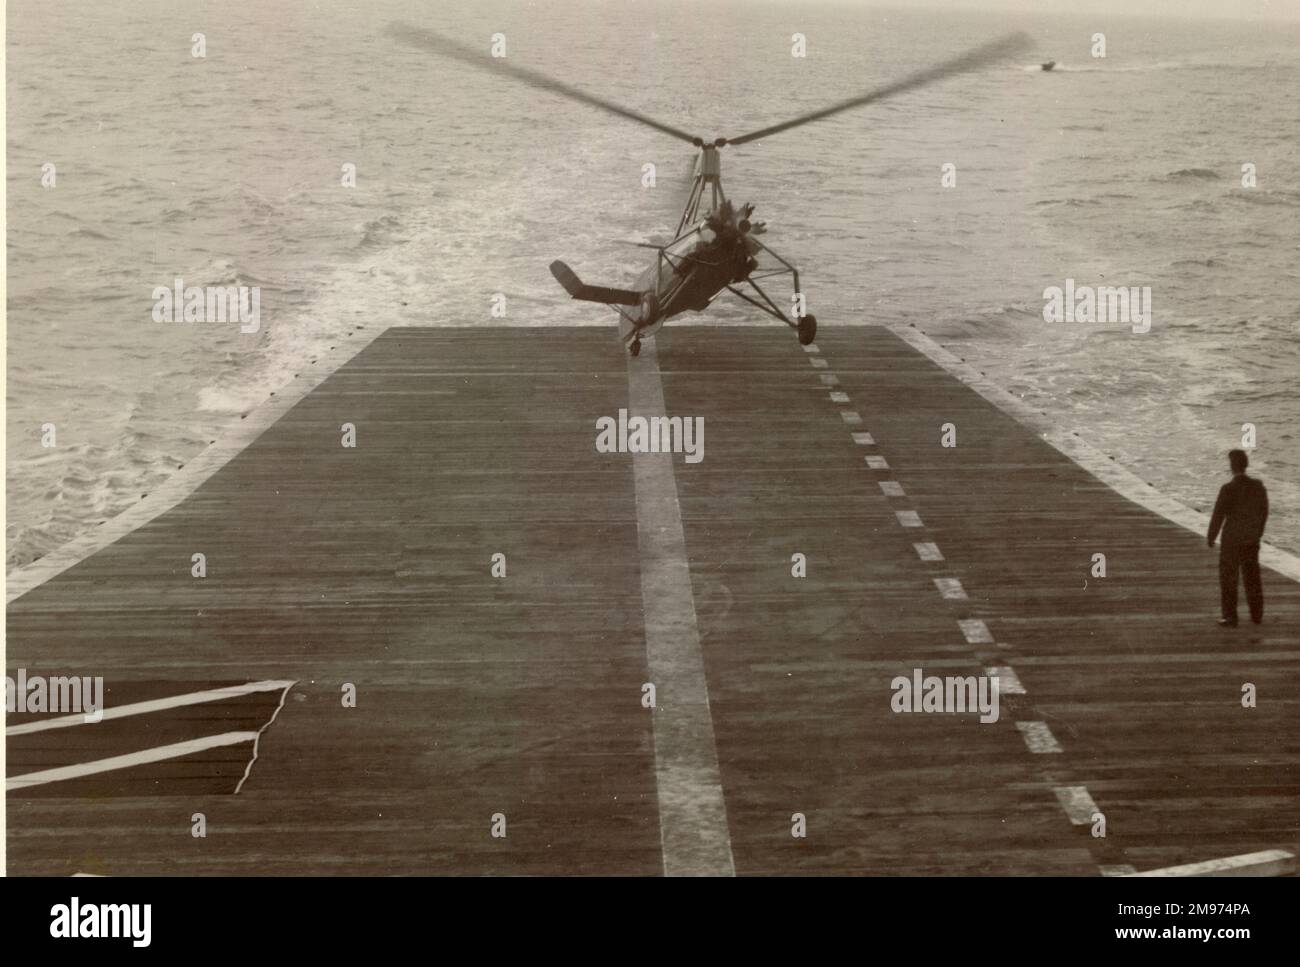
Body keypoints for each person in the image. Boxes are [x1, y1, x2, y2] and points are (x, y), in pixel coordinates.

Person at [1207, 449, 1268, 626]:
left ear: (1232, 467)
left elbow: (1218, 515)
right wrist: (1258, 532)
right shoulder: (1258, 487)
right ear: (1246, 464)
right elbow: (1263, 512)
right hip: (1250, 537)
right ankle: (1257, 614)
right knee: (1252, 576)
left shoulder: (1228, 489)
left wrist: (1211, 536)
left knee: (1228, 578)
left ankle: (1230, 616)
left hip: (1232, 539)